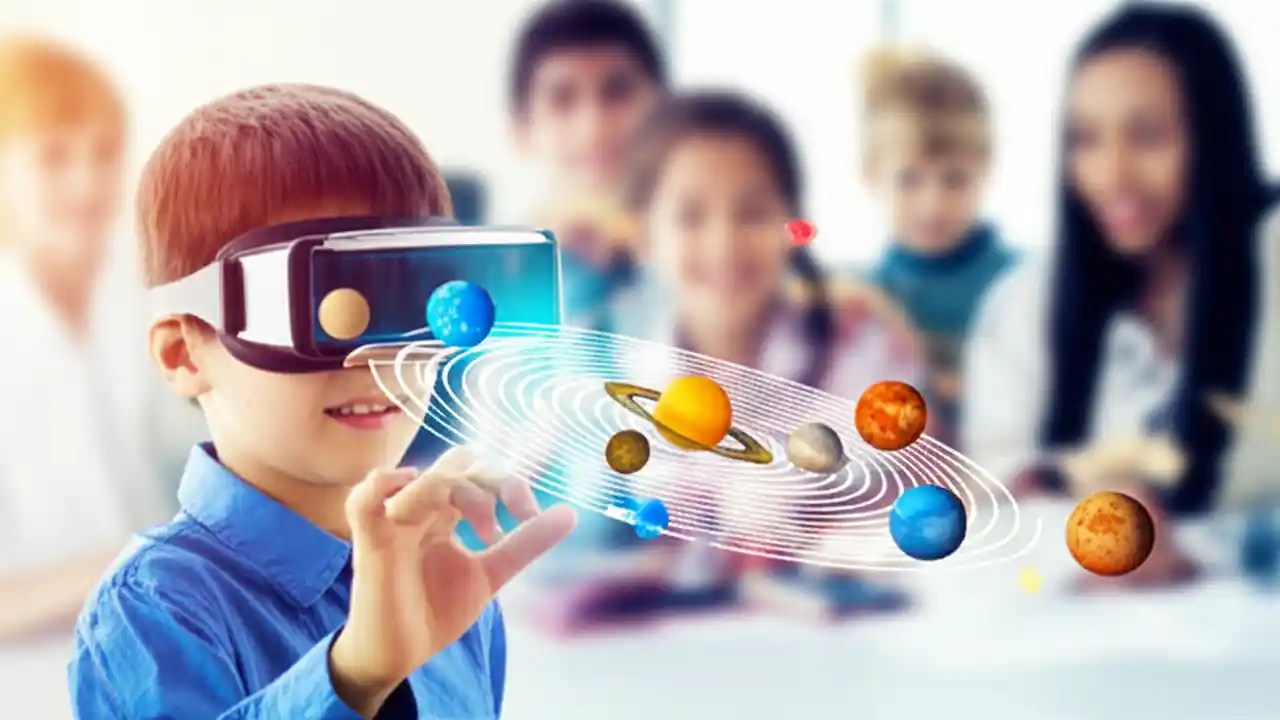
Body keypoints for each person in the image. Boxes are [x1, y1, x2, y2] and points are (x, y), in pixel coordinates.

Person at [69, 84, 577, 718]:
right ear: (183, 353)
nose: (378, 359)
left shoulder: (447, 574)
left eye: (418, 301)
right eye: (322, 305)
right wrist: (356, 675)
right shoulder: (152, 607)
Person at [963, 5, 1278, 581]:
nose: (1112, 174)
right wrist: (1050, 494)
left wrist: (1202, 557)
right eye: (1085, 140)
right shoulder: (1029, 300)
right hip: (1086, 629)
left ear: (1215, 134)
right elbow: (988, 486)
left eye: (1148, 136)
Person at [616, 91, 920, 616]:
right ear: (645, 237)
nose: (723, 243)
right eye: (690, 216)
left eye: (753, 213)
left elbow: (902, 489)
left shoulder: (861, 348)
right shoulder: (629, 389)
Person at [0, 36, 171, 642]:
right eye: (53, 156)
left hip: (156, 645)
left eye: (104, 152)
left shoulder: (145, 295)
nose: (87, 181)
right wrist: (121, 566)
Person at [857, 48, 1017, 445]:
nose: (933, 204)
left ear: (986, 171)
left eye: (955, 179)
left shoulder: (1021, 284)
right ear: (871, 175)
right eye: (909, 180)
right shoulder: (865, 299)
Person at [510, 0, 666, 331]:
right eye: (563, 99)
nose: (594, 126)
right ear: (522, 132)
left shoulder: (724, 260)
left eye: (617, 92)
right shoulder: (493, 283)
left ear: (665, 111)